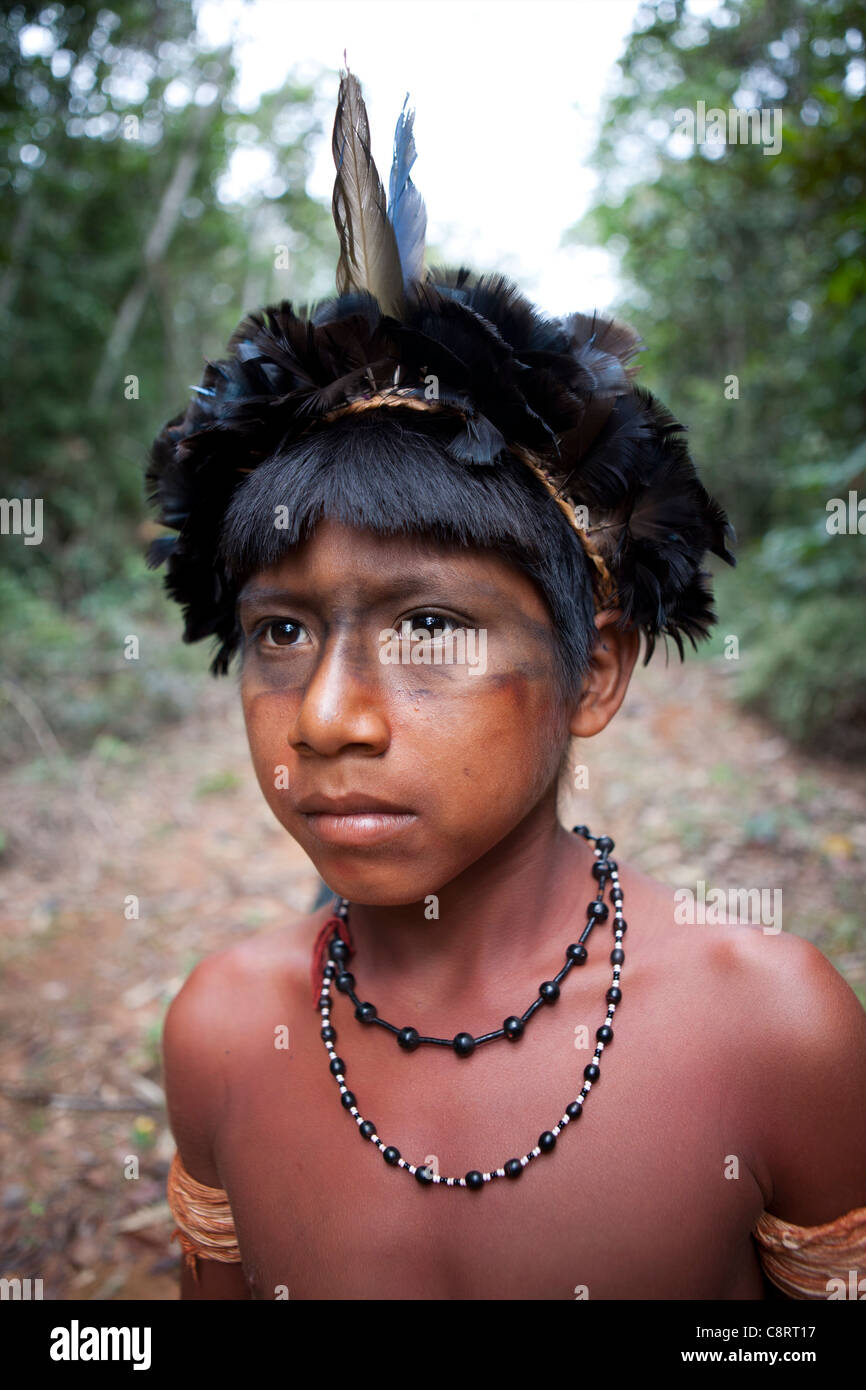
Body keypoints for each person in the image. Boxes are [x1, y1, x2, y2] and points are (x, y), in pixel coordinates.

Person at [149, 71, 866, 1300]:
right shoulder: (221, 1029)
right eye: (281, 631)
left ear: (593, 671)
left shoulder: (774, 1032)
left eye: (430, 625)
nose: (326, 718)